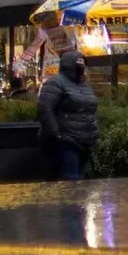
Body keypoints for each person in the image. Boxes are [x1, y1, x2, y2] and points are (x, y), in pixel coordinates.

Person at [38, 50, 99, 180]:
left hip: (86, 141)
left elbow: (91, 109)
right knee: (70, 182)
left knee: (80, 181)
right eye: (78, 63)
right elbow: (45, 108)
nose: (81, 66)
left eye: (83, 63)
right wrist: (56, 134)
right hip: (67, 141)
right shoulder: (55, 82)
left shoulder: (84, 85)